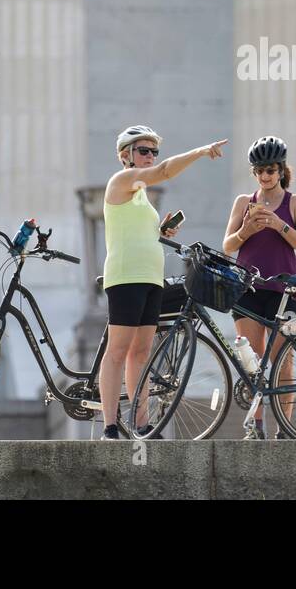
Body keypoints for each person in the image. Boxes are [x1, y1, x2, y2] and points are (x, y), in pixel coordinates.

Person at [100, 125, 227, 440]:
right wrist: (200, 151)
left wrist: (162, 231)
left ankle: (141, 423)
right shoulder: (122, 180)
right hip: (126, 276)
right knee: (118, 350)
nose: (150, 157)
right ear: (125, 156)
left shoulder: (141, 195)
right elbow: (166, 172)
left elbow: (138, 232)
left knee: (142, 352)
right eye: (144, 151)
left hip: (150, 277)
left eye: (153, 152)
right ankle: (110, 426)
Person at [222, 135, 296, 440]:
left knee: (282, 362)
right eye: (260, 170)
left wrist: (278, 224)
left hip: (284, 290)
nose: (265, 176)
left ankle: (284, 428)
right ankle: (255, 426)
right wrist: (247, 229)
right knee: (252, 363)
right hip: (247, 288)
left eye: (271, 170)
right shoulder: (243, 202)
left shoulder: (295, 202)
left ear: (281, 170)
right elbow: (227, 246)